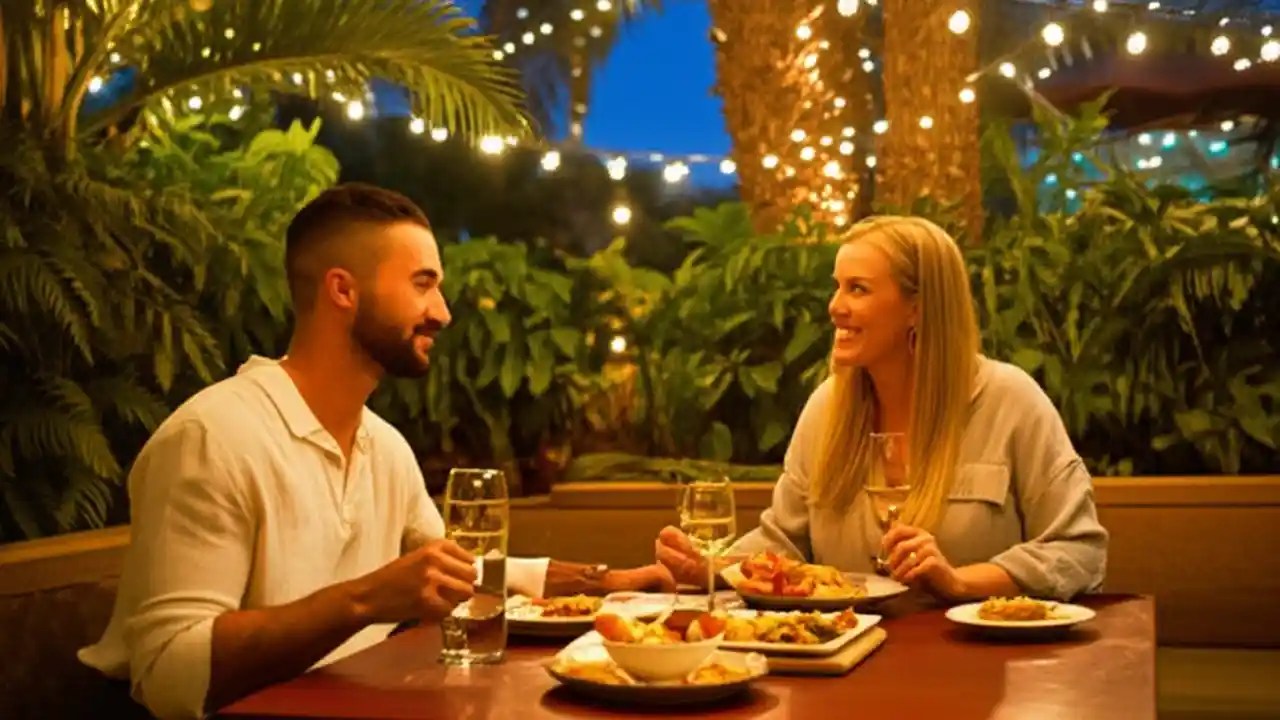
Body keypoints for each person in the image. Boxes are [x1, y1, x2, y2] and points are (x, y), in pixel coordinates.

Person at [79, 184, 672, 720]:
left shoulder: (382, 446)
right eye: (423, 284)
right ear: (343, 290)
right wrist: (364, 599)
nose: (442, 312)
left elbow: (456, 571)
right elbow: (170, 676)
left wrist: (602, 581)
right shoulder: (212, 437)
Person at [655, 215, 1108, 603]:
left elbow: (1078, 551)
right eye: (837, 288)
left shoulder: (1010, 401)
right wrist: (713, 567)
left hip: (979, 676)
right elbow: (785, 544)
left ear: (917, 307)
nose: (835, 307)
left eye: (858, 289)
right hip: (845, 664)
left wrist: (959, 581)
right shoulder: (827, 407)